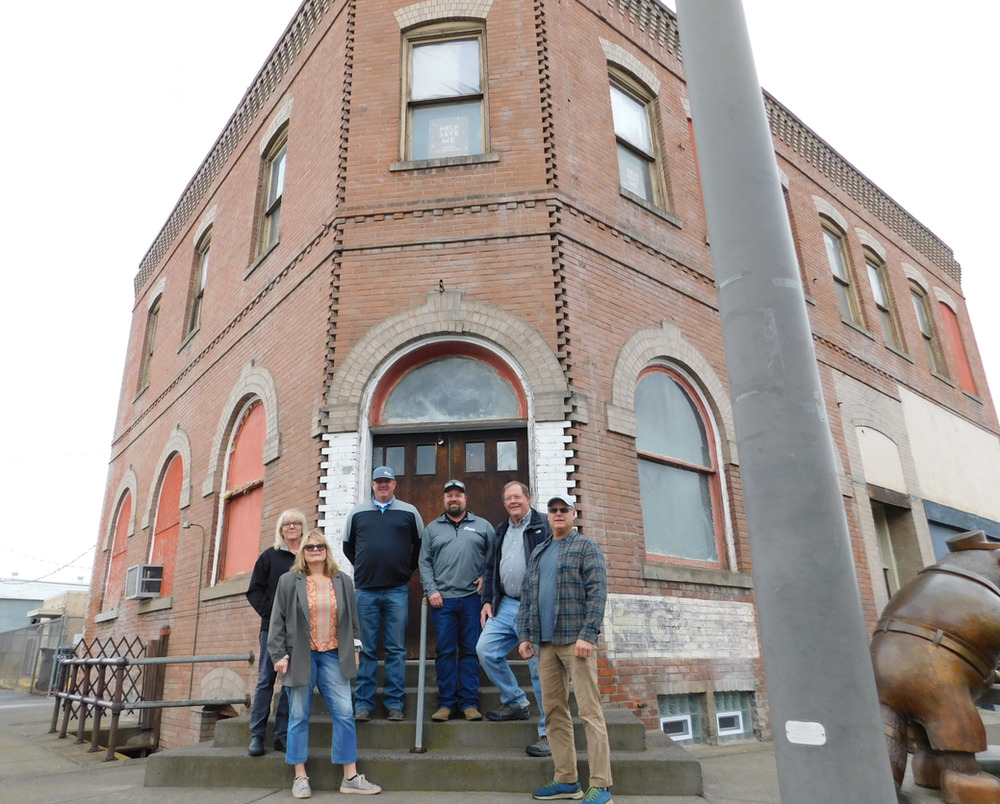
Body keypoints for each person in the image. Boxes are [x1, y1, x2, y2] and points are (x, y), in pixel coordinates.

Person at [269, 529, 382, 798]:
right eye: (309, 547)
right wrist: (278, 655)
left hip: (333, 653)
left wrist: (355, 648)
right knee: (297, 716)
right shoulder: (288, 581)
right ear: (302, 553)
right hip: (300, 655)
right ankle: (300, 777)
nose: (315, 551)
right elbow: (277, 620)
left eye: (320, 546)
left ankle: (351, 777)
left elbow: (353, 619)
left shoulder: (342, 580)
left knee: (344, 713)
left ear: (327, 550)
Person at [518, 494, 612, 804]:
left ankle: (601, 785)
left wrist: (588, 634)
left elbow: (598, 593)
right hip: (545, 644)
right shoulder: (540, 551)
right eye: (553, 510)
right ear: (547, 516)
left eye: (564, 510)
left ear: (573, 514)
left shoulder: (586, 546)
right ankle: (566, 780)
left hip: (576, 641)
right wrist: (525, 636)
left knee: (589, 711)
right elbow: (529, 597)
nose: (558, 514)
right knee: (554, 711)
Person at [477, 481, 552, 757]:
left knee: (538, 669)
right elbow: (490, 568)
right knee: (485, 650)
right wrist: (487, 600)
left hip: (534, 608)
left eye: (517, 496)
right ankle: (516, 702)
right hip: (505, 604)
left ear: (528, 498)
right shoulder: (501, 529)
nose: (513, 501)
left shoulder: (544, 524)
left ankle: (549, 734)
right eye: (508, 498)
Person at [343, 466, 423, 721]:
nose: (383, 485)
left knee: (395, 649)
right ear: (372, 485)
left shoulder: (409, 512)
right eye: (379, 481)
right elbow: (348, 547)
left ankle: (394, 704)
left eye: (387, 481)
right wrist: (366, 567)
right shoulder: (357, 513)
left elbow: (420, 546)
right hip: (365, 591)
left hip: (397, 591)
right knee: (365, 649)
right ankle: (363, 704)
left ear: (395, 484)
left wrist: (403, 570)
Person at [418, 479, 494, 722]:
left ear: (465, 499)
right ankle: (447, 704)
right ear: (444, 499)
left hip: (473, 599)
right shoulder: (432, 529)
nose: (453, 498)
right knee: (446, 651)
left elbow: (495, 558)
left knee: (471, 650)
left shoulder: (483, 526)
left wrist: (486, 577)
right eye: (449, 495)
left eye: (458, 495)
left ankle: (470, 703)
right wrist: (431, 590)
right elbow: (424, 562)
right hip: (443, 602)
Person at [245, 508, 305, 757]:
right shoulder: (269, 557)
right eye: (287, 524)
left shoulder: (308, 556)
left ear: (303, 528)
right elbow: (254, 591)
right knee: (265, 681)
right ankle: (257, 736)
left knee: (290, 685)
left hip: (300, 632)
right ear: (281, 529)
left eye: (296, 523)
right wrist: (273, 613)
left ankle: (281, 735)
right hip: (271, 629)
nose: (292, 527)